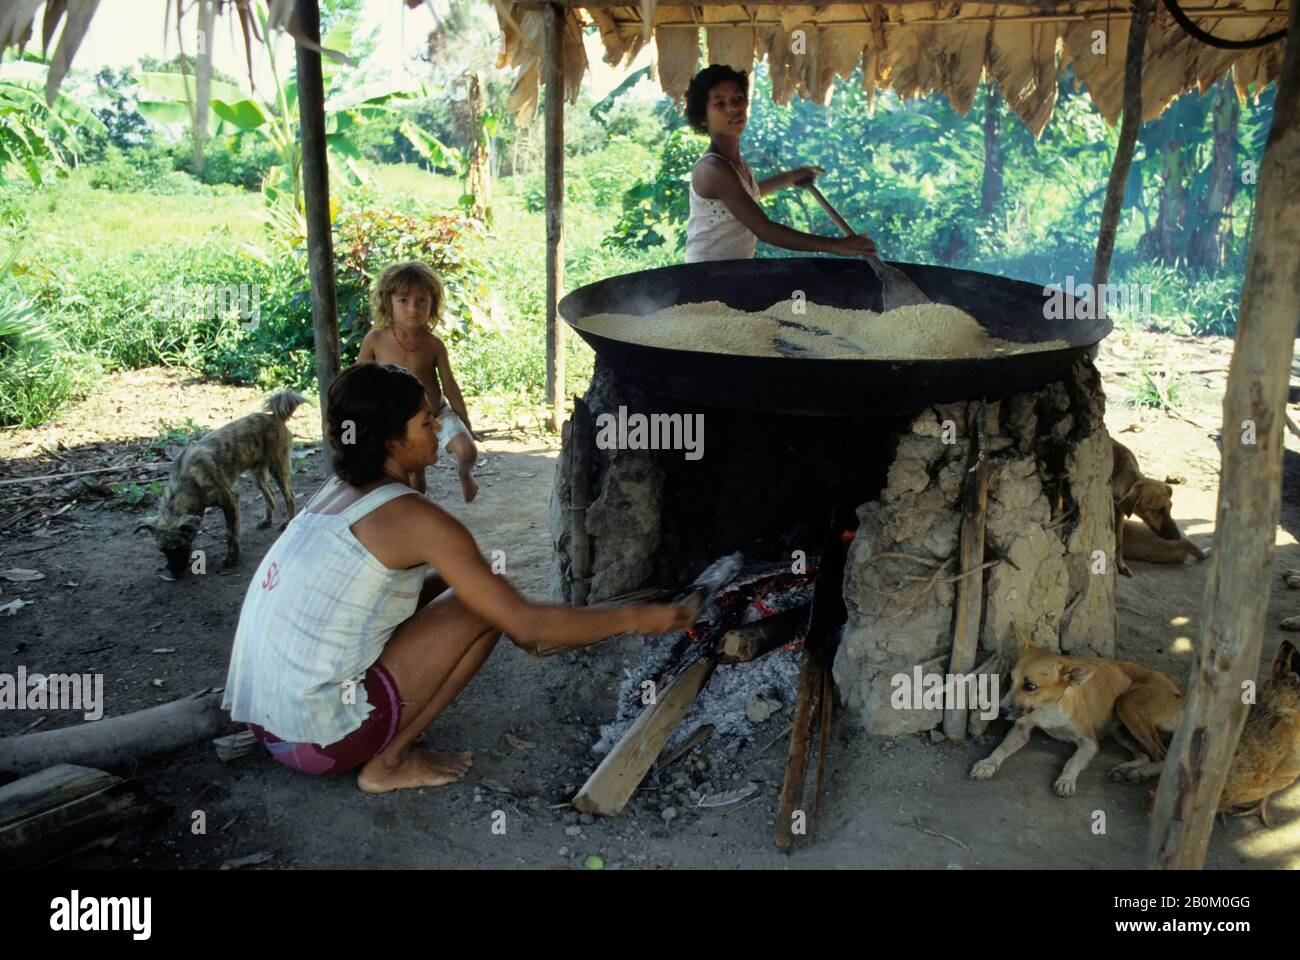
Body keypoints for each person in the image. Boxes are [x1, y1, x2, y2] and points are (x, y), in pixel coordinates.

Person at [223, 363, 696, 793]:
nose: (439, 429)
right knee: (480, 607)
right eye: (426, 422)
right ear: (392, 440)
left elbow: (388, 590)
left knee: (468, 586)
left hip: (270, 725)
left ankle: (381, 729)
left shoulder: (336, 491)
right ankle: (387, 763)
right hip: (322, 743)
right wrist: (638, 616)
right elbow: (528, 626)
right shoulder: (414, 517)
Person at [683, 64, 879, 264]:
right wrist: (834, 245)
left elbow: (748, 195)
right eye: (719, 103)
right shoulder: (713, 168)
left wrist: (791, 177)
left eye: (737, 98)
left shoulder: (735, 164)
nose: (732, 107)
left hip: (731, 273)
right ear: (703, 117)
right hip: (705, 276)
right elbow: (764, 229)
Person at [358, 261, 479, 502]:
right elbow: (358, 381)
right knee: (414, 480)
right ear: (388, 302)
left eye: (421, 300)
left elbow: (449, 385)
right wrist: (357, 423)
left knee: (468, 452)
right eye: (403, 300)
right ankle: (414, 518)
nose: (413, 308)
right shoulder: (376, 340)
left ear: (432, 304)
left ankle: (464, 475)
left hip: (436, 414)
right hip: (399, 419)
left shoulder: (433, 345)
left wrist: (465, 421)